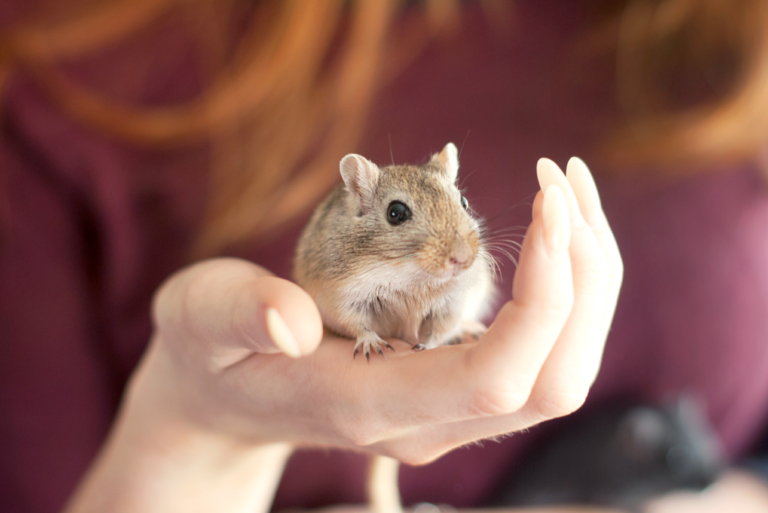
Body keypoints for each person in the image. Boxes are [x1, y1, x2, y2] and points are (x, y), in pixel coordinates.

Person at [0, 1, 766, 512]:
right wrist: (195, 432)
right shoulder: (68, 56)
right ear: (361, 199)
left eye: (461, 211)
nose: (460, 244)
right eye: (407, 219)